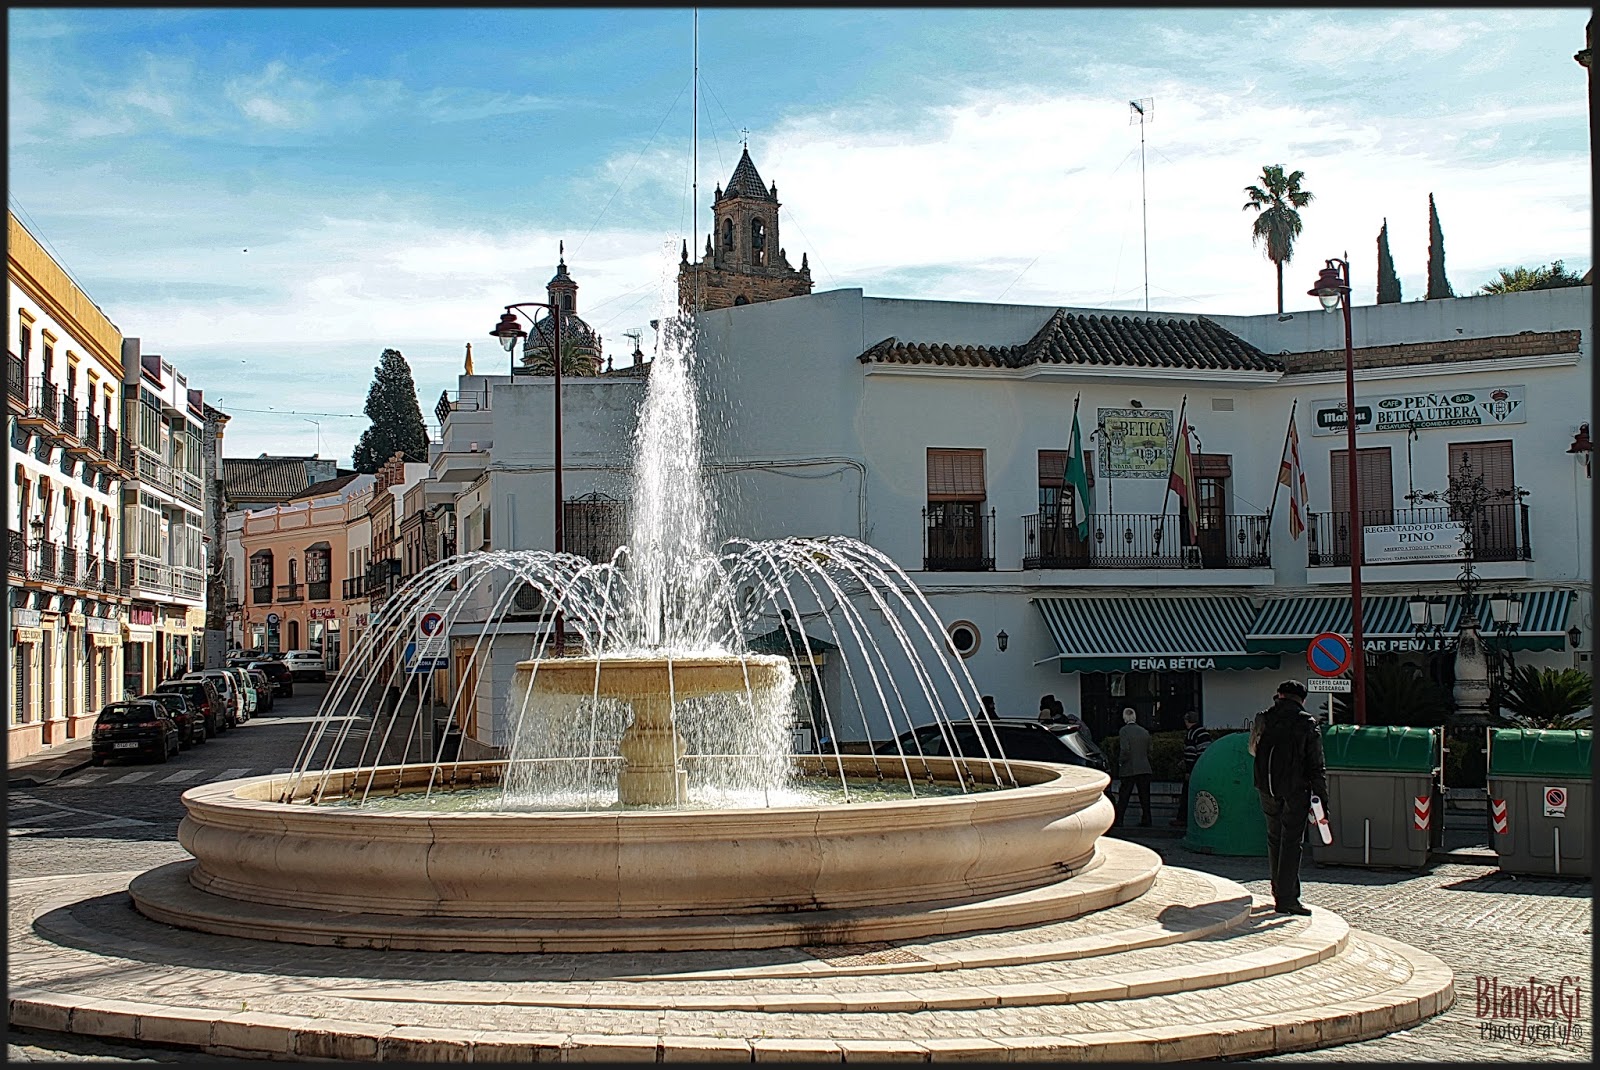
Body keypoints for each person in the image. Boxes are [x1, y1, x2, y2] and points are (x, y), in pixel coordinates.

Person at [1252, 680, 1329, 916]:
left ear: (1279, 695)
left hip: (1267, 786)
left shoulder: (1264, 718)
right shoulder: (1307, 723)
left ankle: (1278, 890)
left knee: (1274, 838)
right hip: (1295, 789)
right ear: (1302, 699)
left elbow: (1253, 748)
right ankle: (1287, 899)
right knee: (1292, 842)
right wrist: (1322, 797)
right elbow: (1316, 764)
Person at [1171, 710, 1212, 827]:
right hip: (1203, 765)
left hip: (1194, 767)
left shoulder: (1191, 733)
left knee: (1186, 793)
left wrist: (1188, 770)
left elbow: (1190, 753)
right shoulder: (1204, 732)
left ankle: (1182, 818)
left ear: (1187, 721)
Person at [1115, 707, 1153, 827]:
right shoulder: (1144, 731)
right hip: (1144, 767)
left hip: (1129, 767)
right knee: (1145, 796)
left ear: (1124, 717)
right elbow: (1150, 750)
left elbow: (1125, 749)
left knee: (1124, 795)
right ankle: (1147, 819)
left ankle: (1119, 819)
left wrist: (1121, 761)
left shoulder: (1124, 731)